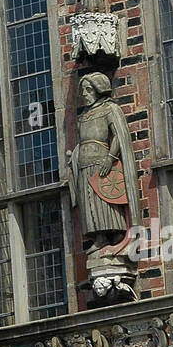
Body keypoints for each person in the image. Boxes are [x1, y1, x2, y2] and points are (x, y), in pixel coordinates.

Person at [69, 72, 140, 259]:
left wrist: (110, 157)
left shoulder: (109, 109)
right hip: (85, 164)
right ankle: (99, 237)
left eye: (87, 89)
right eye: (82, 90)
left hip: (101, 162)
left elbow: (118, 136)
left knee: (103, 199)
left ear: (97, 89)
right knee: (89, 202)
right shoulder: (83, 116)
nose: (84, 94)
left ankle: (114, 233)